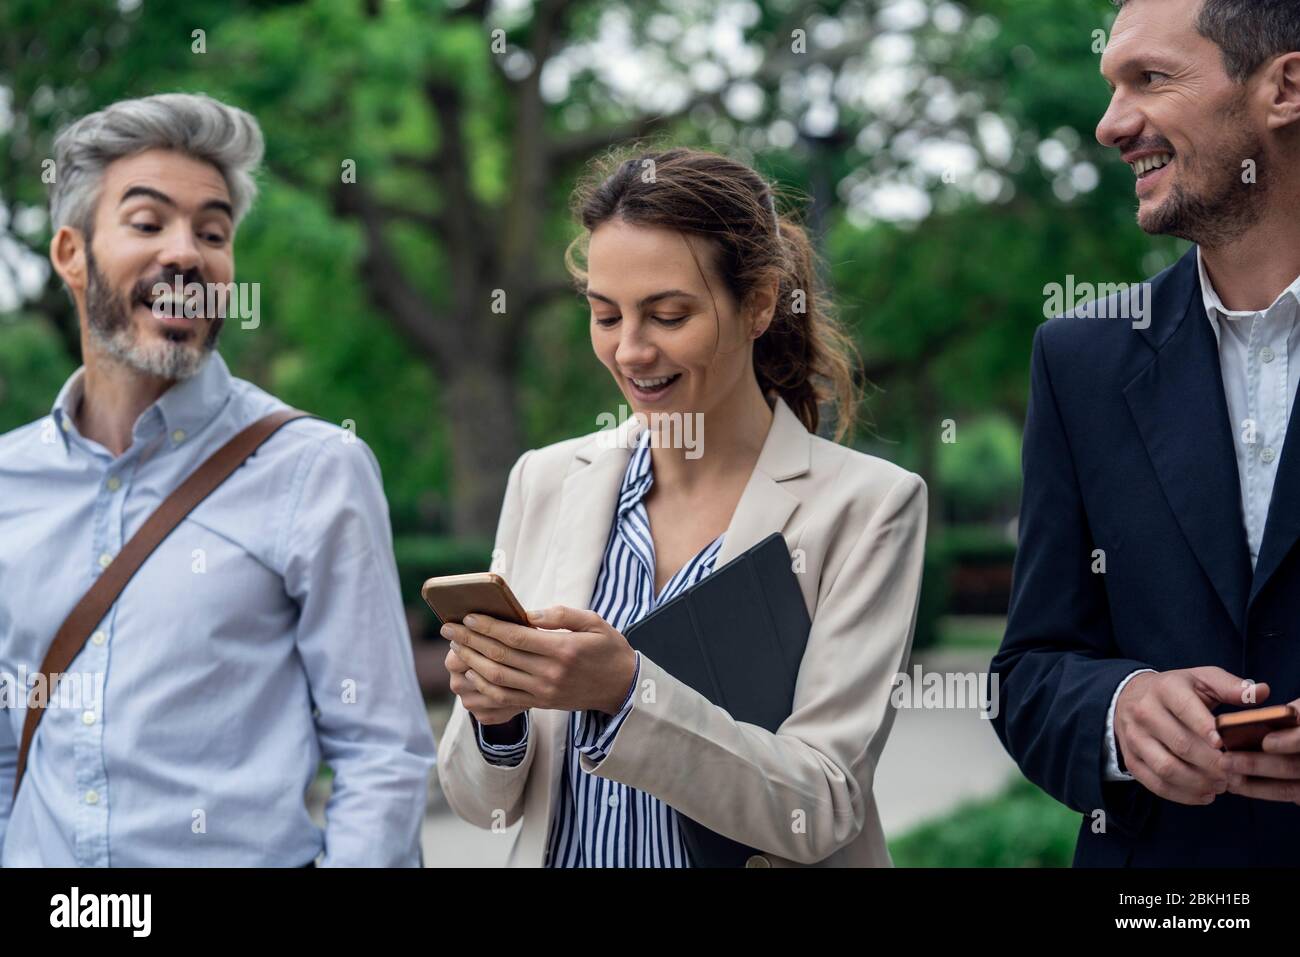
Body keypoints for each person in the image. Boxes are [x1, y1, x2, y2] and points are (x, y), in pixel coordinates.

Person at [435, 147, 927, 867]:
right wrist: (496, 719)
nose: (631, 351)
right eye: (606, 316)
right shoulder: (543, 481)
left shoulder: (868, 507)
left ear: (759, 302)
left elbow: (821, 804)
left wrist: (628, 693)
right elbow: (485, 803)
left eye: (667, 315)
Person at [0, 93, 436, 866]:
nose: (187, 253)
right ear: (71, 254)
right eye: (147, 222)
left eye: (213, 232)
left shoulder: (312, 470)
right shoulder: (11, 480)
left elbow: (381, 754)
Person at [991, 0, 1300, 865]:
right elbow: (1030, 671)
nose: (1110, 124)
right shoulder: (1077, 360)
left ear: (1286, 86)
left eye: (1150, 79)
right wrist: (1117, 706)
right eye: (1111, 86)